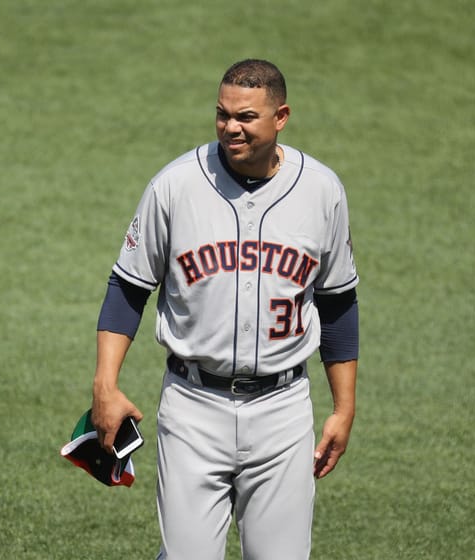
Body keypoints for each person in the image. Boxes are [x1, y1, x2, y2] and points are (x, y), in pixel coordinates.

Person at [90, 59, 359, 559]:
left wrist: (343, 409)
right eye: (222, 114)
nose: (230, 127)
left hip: (283, 410)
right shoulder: (174, 186)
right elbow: (126, 288)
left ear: (281, 116)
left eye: (246, 117)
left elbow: (339, 303)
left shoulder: (322, 191)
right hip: (193, 408)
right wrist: (105, 386)